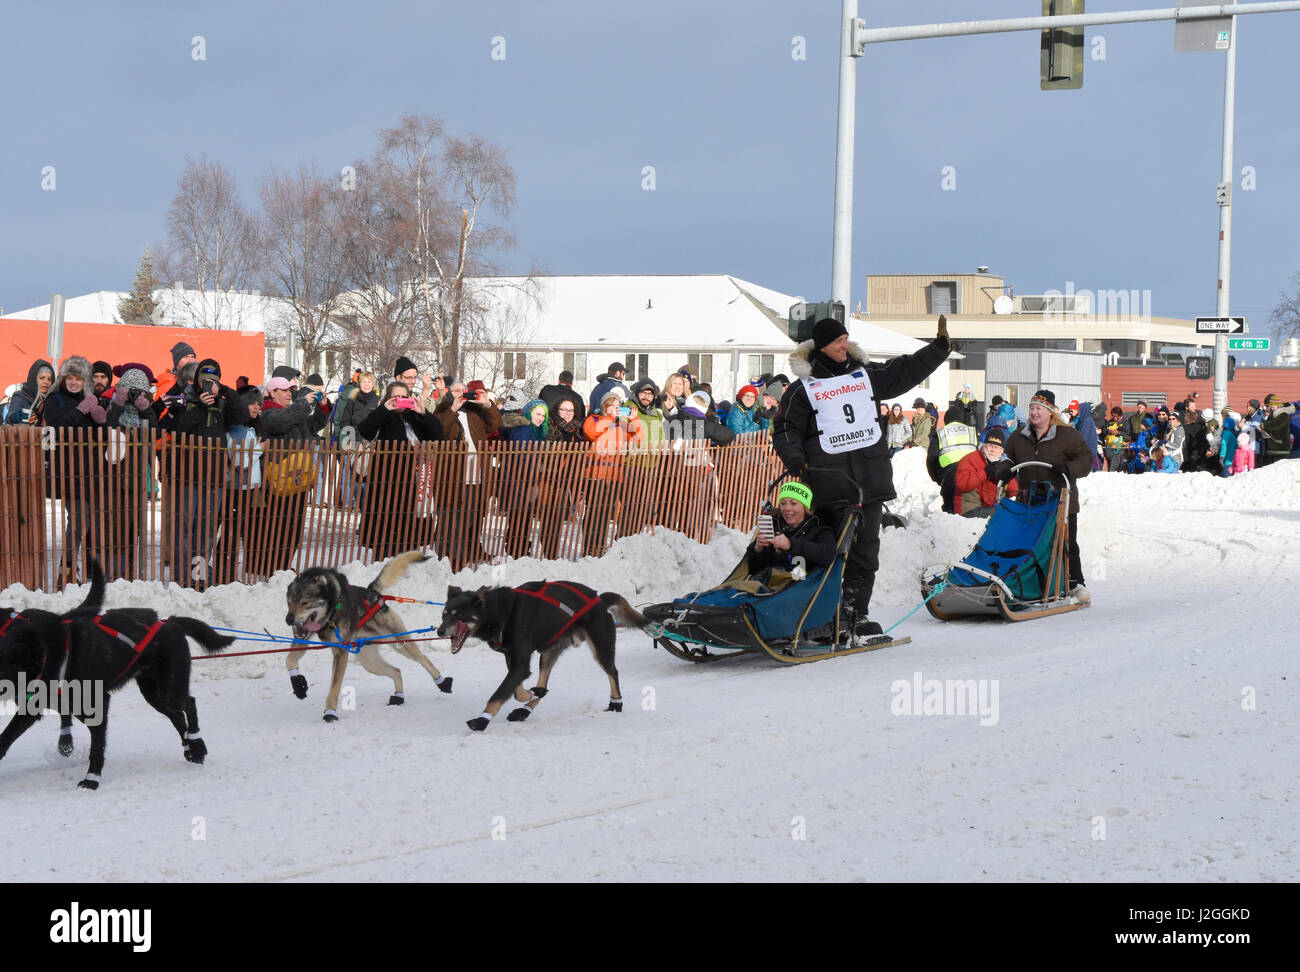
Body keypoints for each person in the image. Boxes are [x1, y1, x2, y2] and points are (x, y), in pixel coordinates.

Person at [772, 313, 951, 642]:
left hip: (868, 481)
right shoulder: (802, 389)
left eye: (845, 339)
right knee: (825, 550)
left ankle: (855, 614)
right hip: (827, 484)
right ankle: (819, 613)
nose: (846, 345)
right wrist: (796, 460)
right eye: (839, 341)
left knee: (865, 553)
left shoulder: (864, 376)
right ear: (824, 346)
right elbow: (785, 428)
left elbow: (904, 370)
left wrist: (938, 349)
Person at [1000, 389, 1092, 600]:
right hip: (1030, 501)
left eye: (1039, 408)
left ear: (1050, 412)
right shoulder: (1018, 436)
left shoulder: (1067, 434)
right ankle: (1031, 583)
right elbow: (1007, 458)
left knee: (1066, 543)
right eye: (1031, 408)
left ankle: (1075, 582)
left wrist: (1067, 467)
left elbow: (1086, 459)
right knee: (1032, 544)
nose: (1034, 413)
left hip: (1061, 501)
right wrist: (1002, 469)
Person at [356, 380, 444, 559]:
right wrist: (385, 409)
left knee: (408, 526)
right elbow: (365, 431)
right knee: (385, 526)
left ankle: (403, 562)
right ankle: (382, 561)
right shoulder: (383, 414)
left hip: (412, 480)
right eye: (396, 396)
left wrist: (423, 412)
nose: (400, 400)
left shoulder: (414, 416)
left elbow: (437, 433)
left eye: (404, 397)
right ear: (388, 397)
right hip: (386, 482)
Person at [433, 379, 503, 570]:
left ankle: (462, 556)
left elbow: (496, 423)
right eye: (455, 390)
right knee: (450, 519)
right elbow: (439, 432)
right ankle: (445, 557)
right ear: (449, 393)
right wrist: (453, 409)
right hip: (453, 474)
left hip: (477, 473)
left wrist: (486, 403)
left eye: (463, 390)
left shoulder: (475, 412)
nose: (460, 393)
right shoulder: (442, 410)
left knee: (470, 517)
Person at [582, 390, 646, 557]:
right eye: (612, 405)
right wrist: (610, 418)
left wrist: (634, 419)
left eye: (619, 406)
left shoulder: (622, 425)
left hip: (614, 475)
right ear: (605, 406)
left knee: (605, 513)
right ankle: (589, 548)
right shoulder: (594, 419)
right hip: (596, 474)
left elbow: (640, 437)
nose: (616, 408)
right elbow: (590, 432)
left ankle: (600, 547)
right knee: (593, 512)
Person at [745, 482, 836, 582]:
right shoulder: (774, 526)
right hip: (767, 588)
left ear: (805, 506)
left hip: (802, 590)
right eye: (783, 503)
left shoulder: (819, 529)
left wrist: (791, 545)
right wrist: (758, 549)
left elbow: (827, 555)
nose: (787, 509)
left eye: (793, 503)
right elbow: (753, 570)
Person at [953, 427, 1018, 517]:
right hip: (969, 508)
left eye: (996, 447)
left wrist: (1006, 479)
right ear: (984, 446)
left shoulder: (1003, 464)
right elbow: (962, 484)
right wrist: (984, 473)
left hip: (990, 507)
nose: (992, 450)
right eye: (990, 446)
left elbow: (1014, 492)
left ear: (1002, 450)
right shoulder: (970, 459)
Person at [935, 403, 978, 513]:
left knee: (950, 510)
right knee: (969, 508)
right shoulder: (971, 431)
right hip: (970, 475)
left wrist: (938, 479)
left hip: (949, 475)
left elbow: (931, 459)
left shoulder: (941, 433)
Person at [4, 359, 55, 425]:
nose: (46, 382)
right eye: (42, 378)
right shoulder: (21, 397)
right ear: (34, 379)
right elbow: (10, 416)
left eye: (49, 379)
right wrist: (15, 417)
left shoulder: (52, 400)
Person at [1259, 394, 1295, 466]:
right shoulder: (1272, 415)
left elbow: (1275, 425)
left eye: (1274, 406)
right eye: (1271, 406)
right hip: (1272, 448)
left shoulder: (1283, 415)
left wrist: (1263, 425)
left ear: (1278, 406)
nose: (1272, 408)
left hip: (1281, 448)